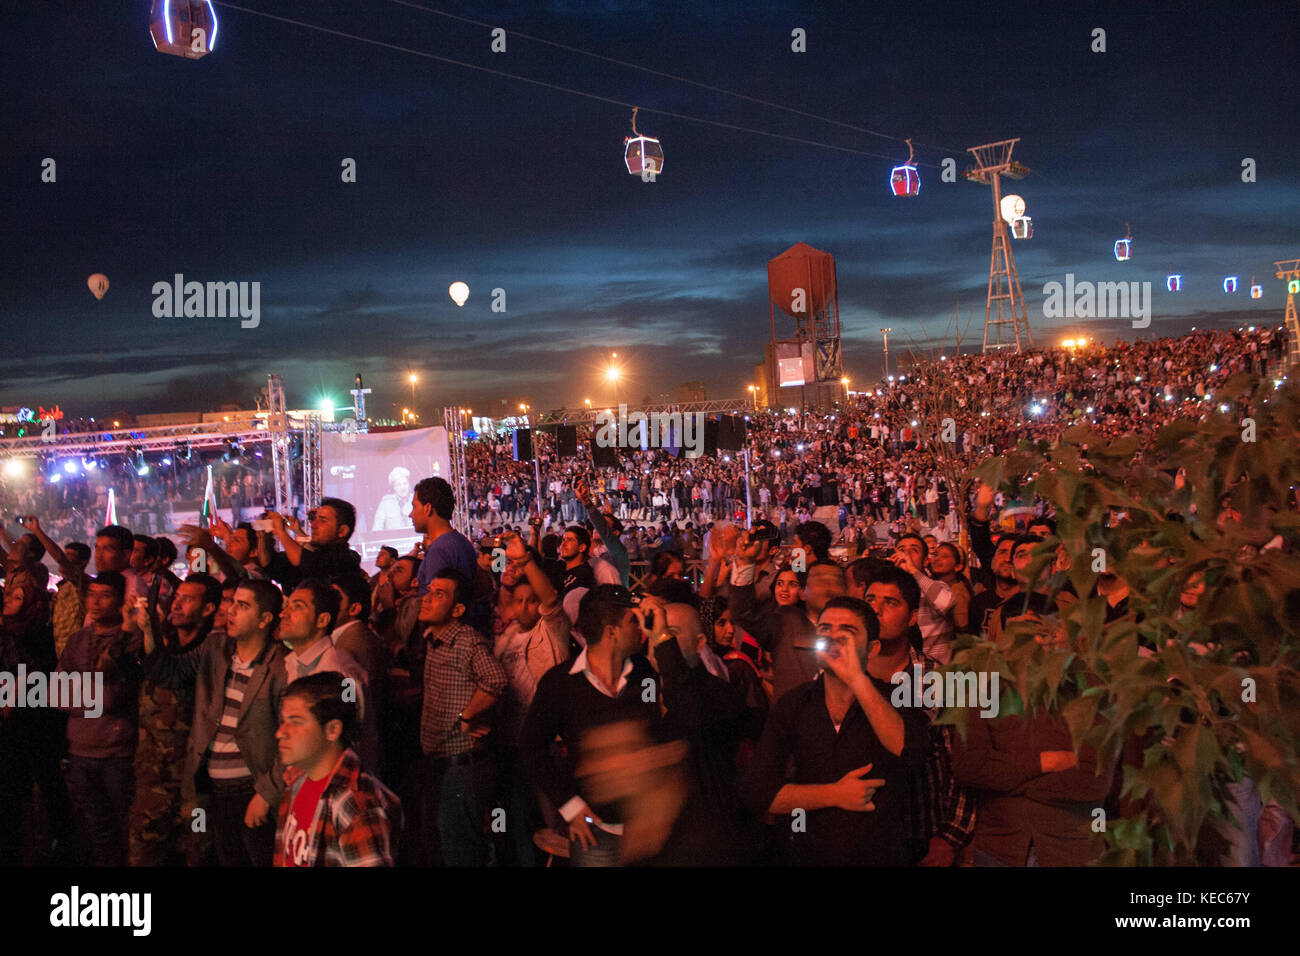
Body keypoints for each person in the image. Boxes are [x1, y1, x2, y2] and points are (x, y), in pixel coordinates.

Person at [743, 596, 929, 866]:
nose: (833, 638)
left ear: (873, 648)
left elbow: (911, 750)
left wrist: (856, 678)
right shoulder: (795, 703)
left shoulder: (896, 697)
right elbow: (758, 793)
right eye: (825, 630)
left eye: (848, 632)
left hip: (875, 854)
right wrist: (834, 794)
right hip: (803, 853)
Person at [146, 579, 287, 867]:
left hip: (251, 788)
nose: (231, 611)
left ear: (264, 619)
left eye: (242, 606)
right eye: (232, 602)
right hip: (209, 786)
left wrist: (267, 793)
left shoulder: (281, 666)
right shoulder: (216, 647)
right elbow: (171, 674)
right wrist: (148, 630)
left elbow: (291, 739)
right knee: (220, 857)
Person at [519, 584, 659, 866]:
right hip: (596, 835)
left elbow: (656, 727)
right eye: (633, 621)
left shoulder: (644, 673)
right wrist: (570, 805)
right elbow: (531, 746)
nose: (641, 629)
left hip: (647, 829)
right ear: (611, 631)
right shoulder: (561, 683)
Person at [413, 568, 507, 866]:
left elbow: (496, 679)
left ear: (458, 609)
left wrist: (468, 716)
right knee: (442, 845)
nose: (426, 599)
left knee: (462, 852)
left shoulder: (465, 639)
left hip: (462, 767)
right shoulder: (432, 638)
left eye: (438, 594)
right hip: (439, 765)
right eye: (428, 591)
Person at [56, 572, 143, 866]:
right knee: (97, 830)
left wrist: (81, 696)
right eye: (91, 593)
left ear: (119, 600)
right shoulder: (78, 639)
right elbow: (56, 695)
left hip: (118, 751)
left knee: (128, 828)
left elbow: (116, 698)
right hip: (80, 749)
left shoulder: (131, 639)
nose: (94, 601)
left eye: (104, 595)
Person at [274, 672, 401, 867]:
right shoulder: (297, 782)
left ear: (333, 730)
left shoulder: (356, 807)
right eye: (283, 721)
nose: (280, 733)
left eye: (296, 722)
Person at [260, 498, 363, 592]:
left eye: (323, 521)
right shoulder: (317, 554)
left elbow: (308, 562)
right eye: (314, 519)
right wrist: (263, 536)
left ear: (342, 531)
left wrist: (280, 532)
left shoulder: (347, 560)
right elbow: (270, 565)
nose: (313, 525)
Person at [373, 466, 415, 531]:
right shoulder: (385, 503)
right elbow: (377, 527)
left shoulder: (417, 499)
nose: (402, 487)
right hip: (393, 539)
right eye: (399, 485)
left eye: (405, 484)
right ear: (394, 487)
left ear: (409, 485)